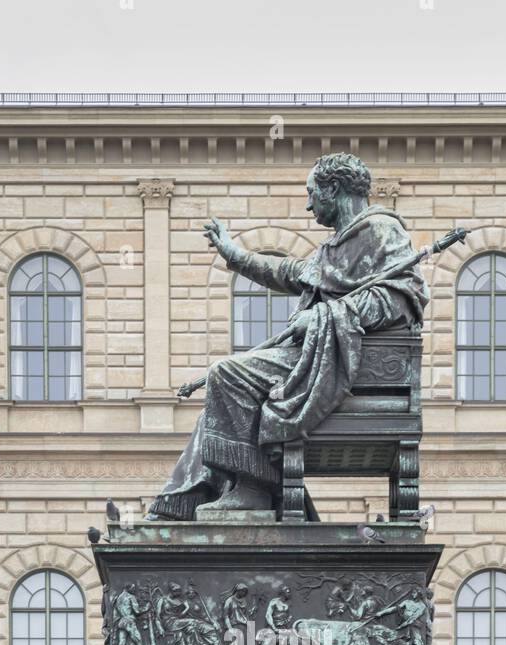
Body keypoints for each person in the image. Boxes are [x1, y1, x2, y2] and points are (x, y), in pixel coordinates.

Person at [147, 152, 429, 520]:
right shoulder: (338, 244)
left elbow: (400, 299)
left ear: (333, 188)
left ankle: (255, 490)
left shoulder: (381, 231)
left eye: (312, 192)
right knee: (218, 399)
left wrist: (322, 316)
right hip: (320, 353)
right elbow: (292, 272)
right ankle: (191, 497)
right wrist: (236, 255)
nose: (308, 203)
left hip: (345, 362)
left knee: (227, 375)